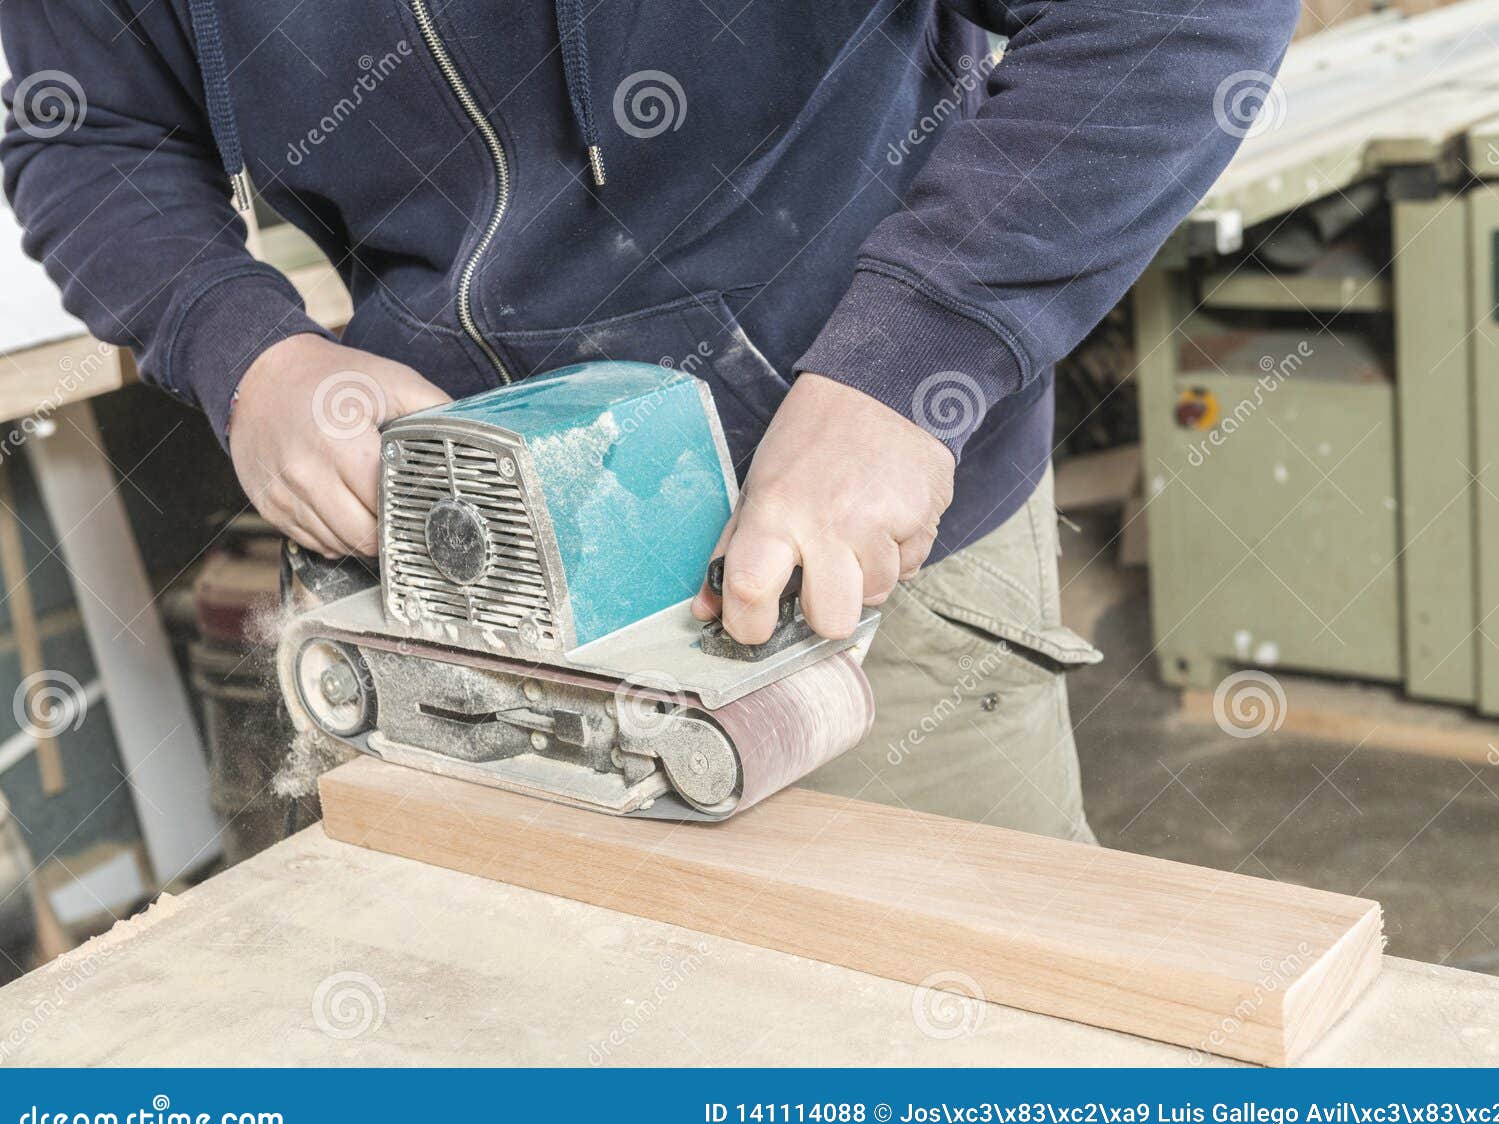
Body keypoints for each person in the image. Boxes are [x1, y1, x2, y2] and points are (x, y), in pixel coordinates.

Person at [1, 2, 1298, 842]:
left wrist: (912, 364)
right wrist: (247, 353)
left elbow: (1174, 17)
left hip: (852, 598)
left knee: (956, 1062)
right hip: (449, 606)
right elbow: (89, 131)